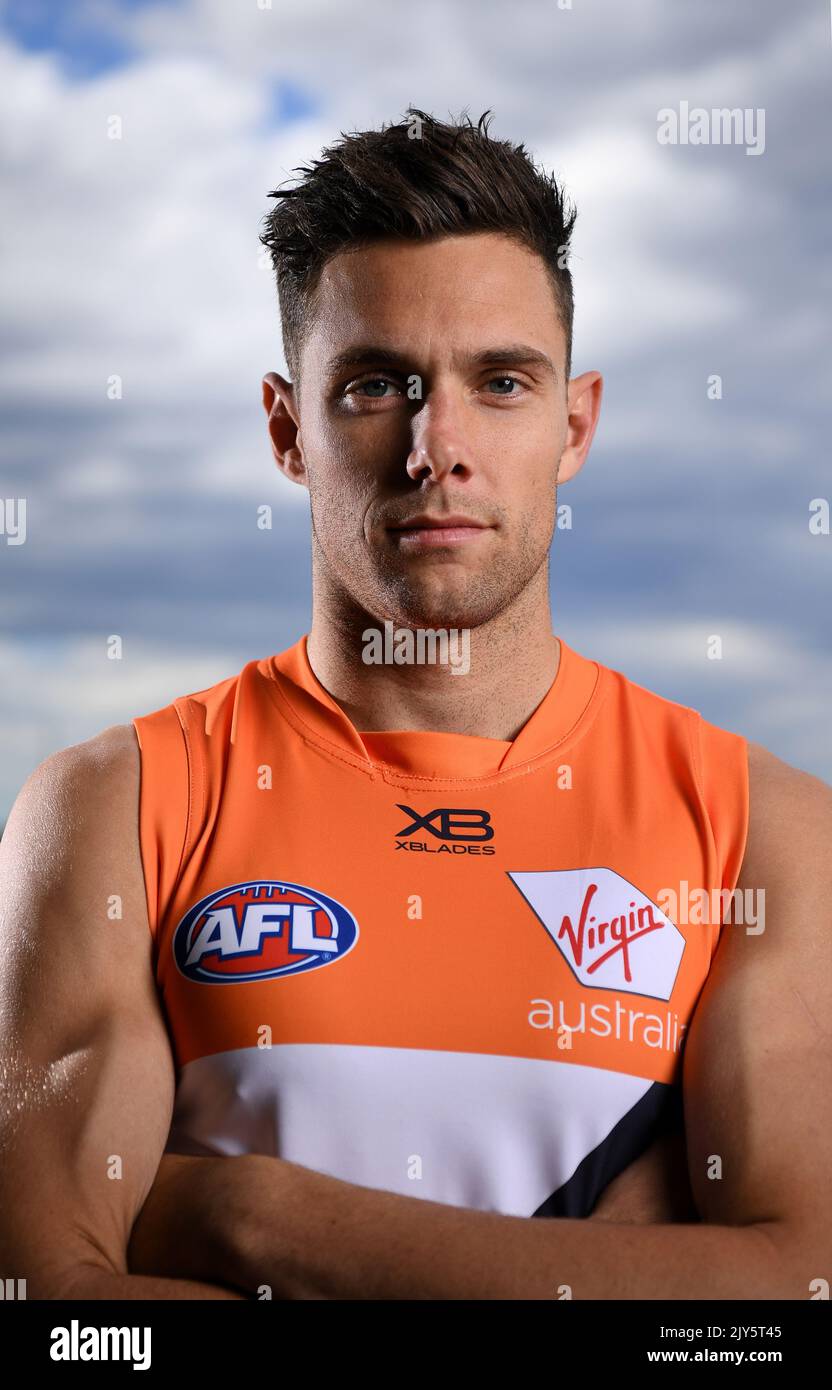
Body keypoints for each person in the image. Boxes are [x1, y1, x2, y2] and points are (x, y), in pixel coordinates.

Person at [0, 109, 828, 1301]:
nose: (437, 447)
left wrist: (254, 1215)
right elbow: (55, 1320)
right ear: (288, 430)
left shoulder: (764, 831)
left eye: (499, 382)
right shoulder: (118, 809)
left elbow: (793, 1302)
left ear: (574, 424)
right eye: (377, 384)